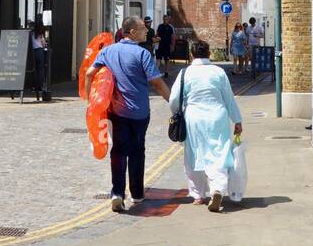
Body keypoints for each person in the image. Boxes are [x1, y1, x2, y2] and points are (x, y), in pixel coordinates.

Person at [92, 16, 170, 212]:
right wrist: (173, 101)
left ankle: (117, 193)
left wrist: (90, 100)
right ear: (132, 32)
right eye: (143, 29)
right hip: (139, 112)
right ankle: (136, 194)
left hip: (116, 111)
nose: (147, 31)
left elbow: (88, 74)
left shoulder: (107, 51)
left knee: (118, 151)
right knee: (137, 151)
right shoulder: (143, 54)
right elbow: (157, 83)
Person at [170, 40, 243, 212]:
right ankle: (217, 188)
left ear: (191, 54)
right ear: (209, 54)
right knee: (219, 154)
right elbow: (229, 98)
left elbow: (174, 99)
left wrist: (175, 112)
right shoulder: (218, 72)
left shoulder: (185, 73)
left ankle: (198, 195)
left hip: (194, 118)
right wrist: (237, 120)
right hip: (218, 116)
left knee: (194, 155)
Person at [29, 21, 48, 96]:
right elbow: (43, 44)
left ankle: (33, 86)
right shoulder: (40, 34)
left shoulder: (31, 34)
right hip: (39, 51)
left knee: (34, 70)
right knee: (40, 70)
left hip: (33, 52)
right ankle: (39, 86)